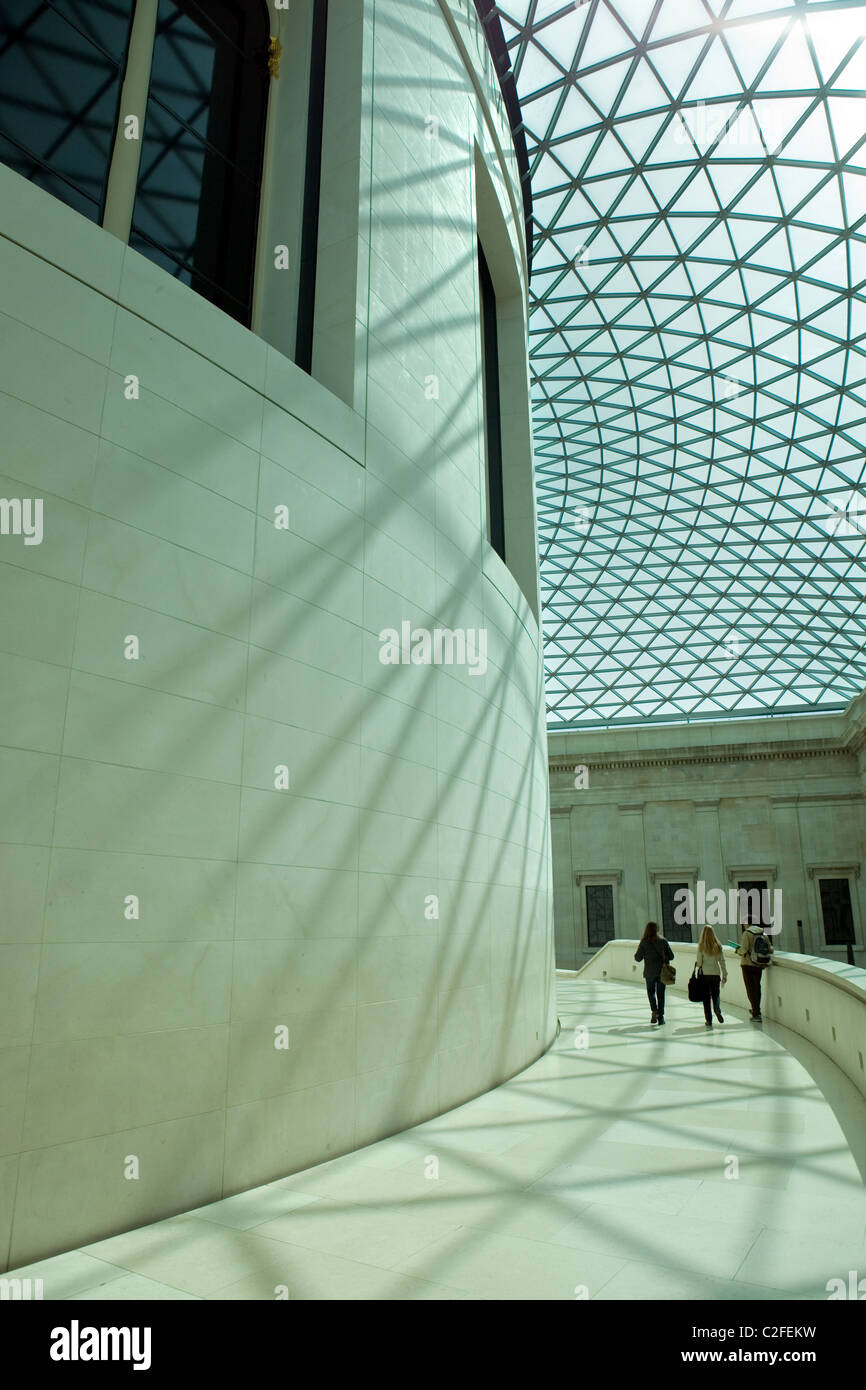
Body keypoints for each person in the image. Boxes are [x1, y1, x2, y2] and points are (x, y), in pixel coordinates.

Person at [634, 921, 674, 1026]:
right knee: (661, 994)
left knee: (651, 992)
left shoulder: (644, 942)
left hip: (649, 972)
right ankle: (661, 1017)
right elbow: (672, 956)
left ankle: (654, 1011)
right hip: (662, 972)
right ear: (657, 930)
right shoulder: (663, 941)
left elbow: (638, 958)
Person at [737, 918, 774, 1020]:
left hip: (747, 964)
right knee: (757, 987)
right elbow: (770, 949)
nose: (743, 925)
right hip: (759, 964)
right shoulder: (763, 933)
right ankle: (756, 1009)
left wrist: (738, 951)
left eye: (744, 923)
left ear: (747, 923)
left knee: (750, 989)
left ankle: (756, 1012)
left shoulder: (747, 934)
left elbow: (744, 949)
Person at [695, 925, 727, 1027]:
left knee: (706, 998)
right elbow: (722, 961)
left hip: (705, 974)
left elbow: (699, 963)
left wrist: (698, 963)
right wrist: (724, 974)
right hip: (716, 974)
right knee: (715, 994)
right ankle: (717, 1009)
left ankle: (709, 1020)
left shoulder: (701, 946)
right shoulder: (718, 946)